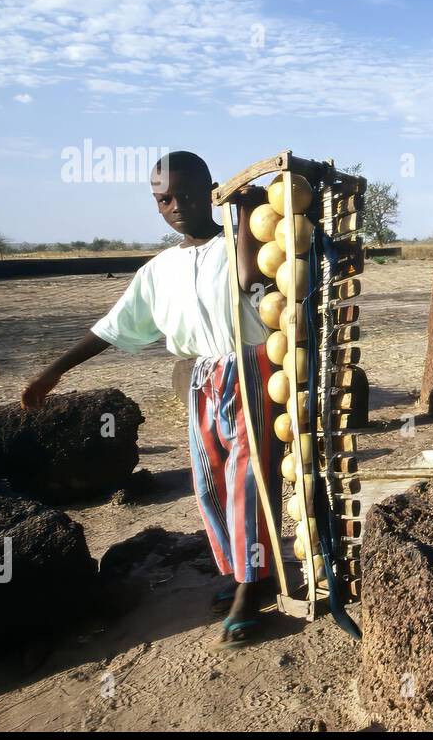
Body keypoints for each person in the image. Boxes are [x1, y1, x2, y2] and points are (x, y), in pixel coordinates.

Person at [22, 151, 282, 648]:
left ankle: (251, 590)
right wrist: (55, 370)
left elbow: (252, 283)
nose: (176, 205)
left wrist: (246, 214)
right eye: (164, 198)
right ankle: (246, 571)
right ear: (156, 205)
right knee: (209, 485)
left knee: (248, 479)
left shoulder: (245, 245)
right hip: (202, 374)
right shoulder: (159, 270)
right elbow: (112, 327)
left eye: (187, 193)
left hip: (251, 366)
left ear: (211, 191)